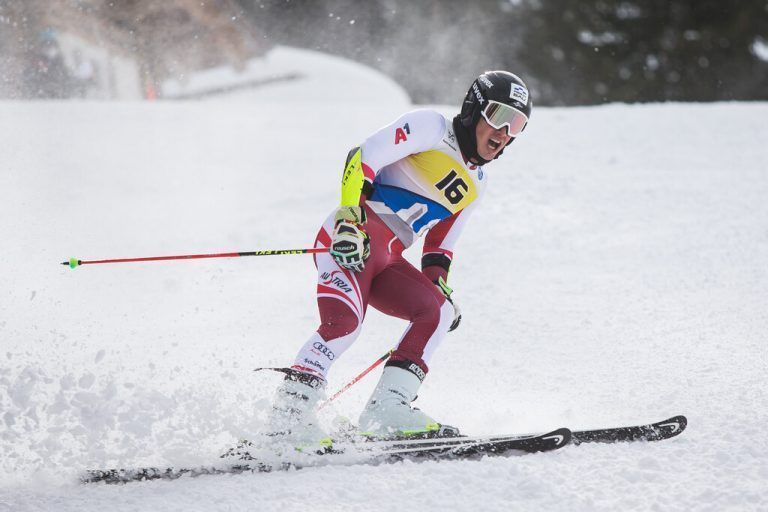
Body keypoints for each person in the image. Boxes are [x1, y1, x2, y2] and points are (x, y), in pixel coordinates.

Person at [267, 70, 533, 445]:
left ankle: (387, 410)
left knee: (437, 311)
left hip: (389, 257)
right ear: (474, 108)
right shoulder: (431, 128)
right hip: (351, 239)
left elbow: (441, 244)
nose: (504, 132)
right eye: (499, 116)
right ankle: (287, 418)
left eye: (517, 124)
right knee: (344, 324)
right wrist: (348, 219)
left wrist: (440, 282)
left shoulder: (478, 183)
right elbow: (362, 158)